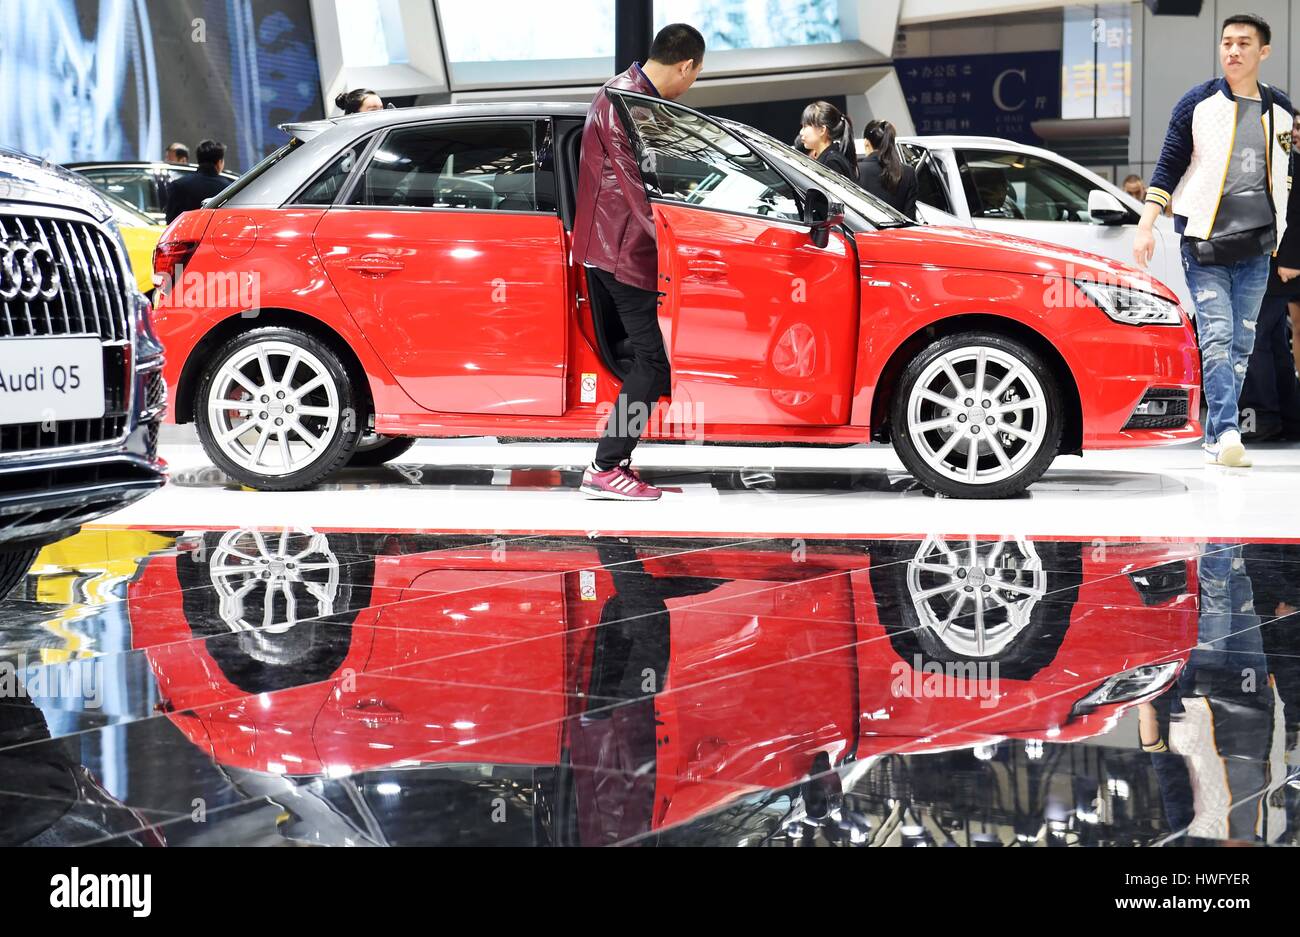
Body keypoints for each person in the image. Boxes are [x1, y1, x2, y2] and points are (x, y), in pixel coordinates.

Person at [1133, 13, 1295, 469]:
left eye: (1244, 43)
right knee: (1218, 334)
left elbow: (1286, 175)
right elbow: (1168, 164)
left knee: (1243, 341)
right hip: (1204, 240)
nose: (1233, 51)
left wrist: (1283, 237)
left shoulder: (1280, 109)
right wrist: (1147, 223)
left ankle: (1217, 432)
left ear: (1263, 51)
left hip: (1258, 244)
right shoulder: (1198, 102)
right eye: (1226, 43)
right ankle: (1225, 430)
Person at [573, 23, 705, 501]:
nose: (691, 86)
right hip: (621, 251)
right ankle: (605, 466)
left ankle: (616, 461)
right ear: (686, 65)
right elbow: (637, 187)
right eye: (696, 76)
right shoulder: (621, 101)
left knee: (647, 362)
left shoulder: (632, 97)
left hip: (617, 248)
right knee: (651, 362)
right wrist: (684, 241)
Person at [1239, 110, 1300, 441]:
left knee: (1257, 339)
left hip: (1280, 264)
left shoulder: (1292, 163)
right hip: (1263, 261)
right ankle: (1288, 417)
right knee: (1274, 342)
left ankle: (1262, 417)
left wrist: (1290, 258)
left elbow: (1295, 213)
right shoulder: (1261, 162)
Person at [858, 119, 917, 219]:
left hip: (865, 233)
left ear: (866, 143)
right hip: (898, 233)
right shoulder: (908, 173)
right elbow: (909, 217)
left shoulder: (857, 171)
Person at [164, 139, 230, 223]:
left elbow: (170, 220)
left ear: (199, 160)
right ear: (219, 162)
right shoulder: (228, 188)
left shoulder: (178, 185)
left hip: (187, 234)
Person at [797, 100, 857, 181]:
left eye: (805, 126)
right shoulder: (830, 157)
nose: (801, 132)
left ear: (822, 130)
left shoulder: (831, 162)